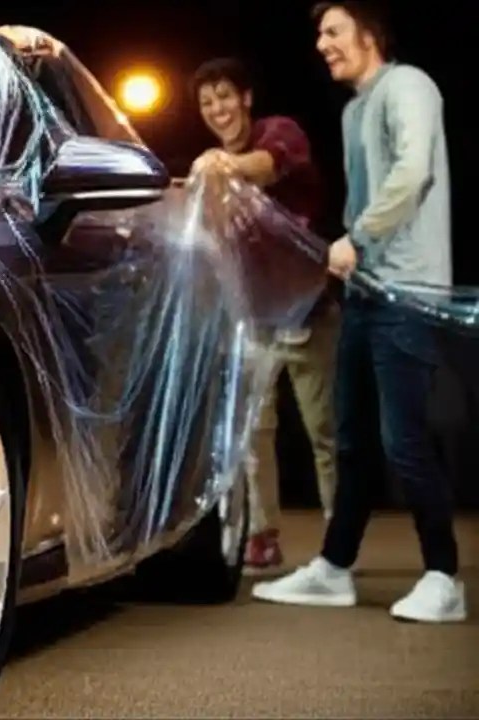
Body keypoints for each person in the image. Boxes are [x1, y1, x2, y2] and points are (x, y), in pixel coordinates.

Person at [251, 0, 466, 623]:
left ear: (369, 34)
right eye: (320, 33)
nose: (322, 43)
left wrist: (358, 238)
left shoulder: (408, 85)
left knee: (405, 441)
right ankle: (334, 568)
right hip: (367, 295)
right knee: (352, 443)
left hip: (409, 293)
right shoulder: (353, 111)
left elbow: (413, 173)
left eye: (333, 31)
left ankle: (444, 576)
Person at [188, 56, 338, 574]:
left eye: (225, 97)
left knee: (325, 429)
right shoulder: (211, 172)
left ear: (246, 98)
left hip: (309, 310)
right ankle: (262, 534)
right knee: (252, 430)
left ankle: (340, 537)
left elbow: (267, 166)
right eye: (207, 103)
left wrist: (218, 166)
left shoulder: (278, 133)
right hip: (253, 317)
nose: (218, 110)